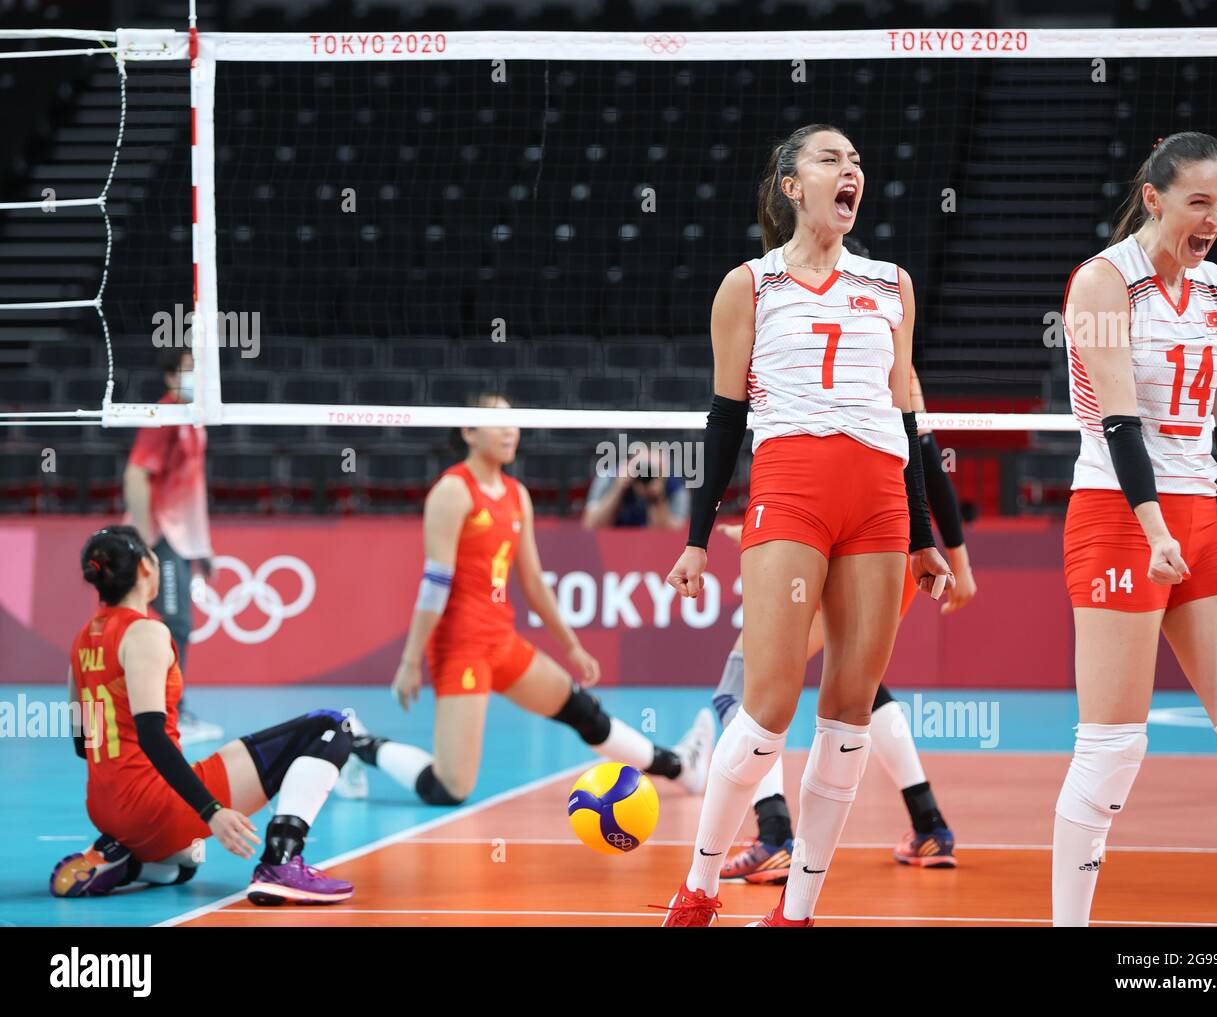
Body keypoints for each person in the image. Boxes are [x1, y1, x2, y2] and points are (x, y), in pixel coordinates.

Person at [659, 124, 952, 927]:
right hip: (790, 488)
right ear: (792, 185)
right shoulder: (748, 285)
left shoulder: (892, 283)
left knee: (850, 708)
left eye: (857, 159)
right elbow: (723, 418)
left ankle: (797, 911)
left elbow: (906, 420)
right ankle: (700, 886)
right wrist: (694, 538)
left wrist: (925, 534)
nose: (850, 169)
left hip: (881, 500)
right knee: (766, 704)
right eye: (831, 158)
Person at [1055, 132, 1217, 926]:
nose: (1216, 218)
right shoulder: (1101, 284)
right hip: (1119, 516)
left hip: (1197, 517)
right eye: (1199, 201)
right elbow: (1120, 420)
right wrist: (1153, 526)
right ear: (1154, 197)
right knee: (1114, 748)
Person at [336, 393, 715, 809]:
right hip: (462, 647)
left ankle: (680, 765)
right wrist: (410, 661)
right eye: (497, 423)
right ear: (468, 432)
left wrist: (571, 645)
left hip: (503, 640)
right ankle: (357, 741)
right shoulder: (452, 492)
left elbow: (533, 580)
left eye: (513, 422)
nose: (509, 431)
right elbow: (435, 583)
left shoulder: (517, 495)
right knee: (450, 789)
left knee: (582, 710)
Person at [713, 356, 977, 883]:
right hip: (881, 545)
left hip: (851, 544)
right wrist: (961, 564)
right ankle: (930, 827)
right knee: (860, 684)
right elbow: (918, 455)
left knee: (739, 684)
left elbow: (916, 455)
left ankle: (772, 834)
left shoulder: (811, 342)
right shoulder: (872, 346)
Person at [50, 525, 355, 904]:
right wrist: (211, 812)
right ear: (146, 567)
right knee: (332, 726)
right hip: (152, 808)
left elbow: (83, 743)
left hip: (106, 809)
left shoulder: (82, 639)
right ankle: (281, 861)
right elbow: (151, 735)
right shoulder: (144, 633)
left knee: (185, 863)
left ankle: (126, 863)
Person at [123, 348, 222, 744]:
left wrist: (203, 548)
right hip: (158, 538)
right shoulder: (164, 415)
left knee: (176, 624)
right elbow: (135, 475)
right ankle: (168, 712)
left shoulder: (196, 421)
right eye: (187, 369)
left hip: (180, 540)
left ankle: (168, 708)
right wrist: (146, 540)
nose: (195, 375)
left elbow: (191, 494)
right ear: (169, 378)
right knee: (175, 623)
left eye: (198, 368)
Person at [581, 442, 689, 529]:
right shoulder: (609, 477)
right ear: (629, 463)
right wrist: (618, 488)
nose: (646, 474)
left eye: (654, 470)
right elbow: (591, 525)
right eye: (641, 468)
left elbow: (672, 537)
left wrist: (657, 499)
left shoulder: (675, 488)